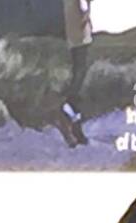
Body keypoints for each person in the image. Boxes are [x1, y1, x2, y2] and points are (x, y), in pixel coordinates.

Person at [58, 0, 95, 147]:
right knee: (79, 76)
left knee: (78, 76)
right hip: (79, 34)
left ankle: (74, 126)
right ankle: (67, 110)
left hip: (75, 34)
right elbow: (83, 9)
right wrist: (86, 16)